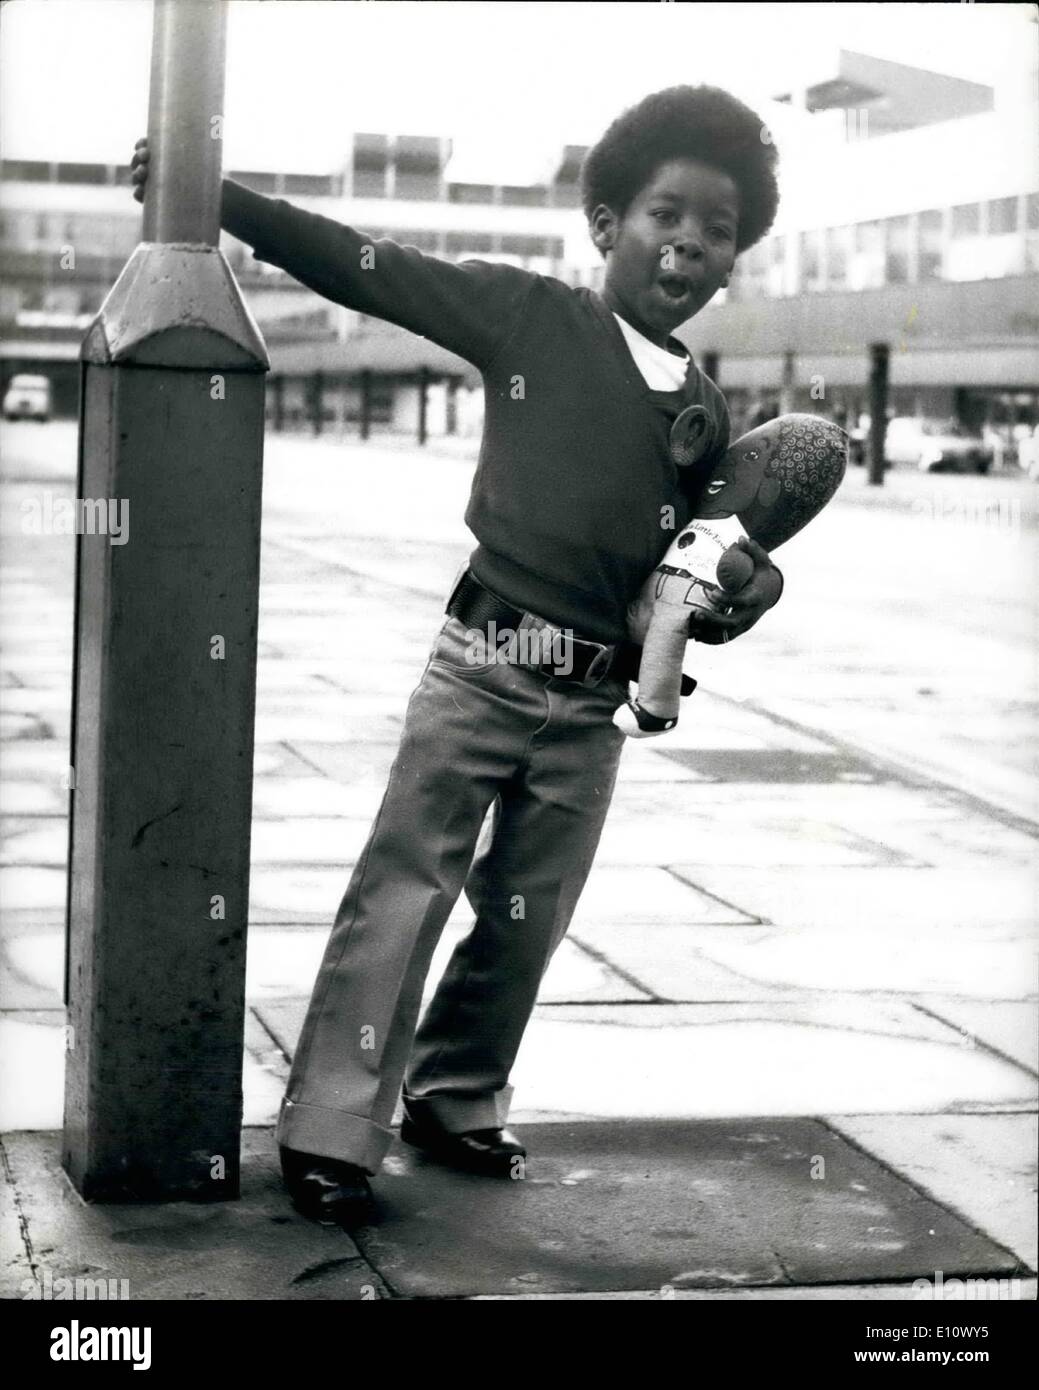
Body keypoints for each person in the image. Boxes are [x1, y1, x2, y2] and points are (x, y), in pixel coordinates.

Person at [131, 84, 785, 1228]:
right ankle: (333, 1123)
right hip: (484, 663)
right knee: (406, 886)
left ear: (734, 260)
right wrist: (218, 198)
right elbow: (366, 262)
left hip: (591, 707)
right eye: (664, 214)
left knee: (529, 909)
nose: (687, 241)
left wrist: (734, 596)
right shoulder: (528, 316)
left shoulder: (707, 412)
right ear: (603, 222)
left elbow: (694, 561)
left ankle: (456, 1090)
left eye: (716, 229)